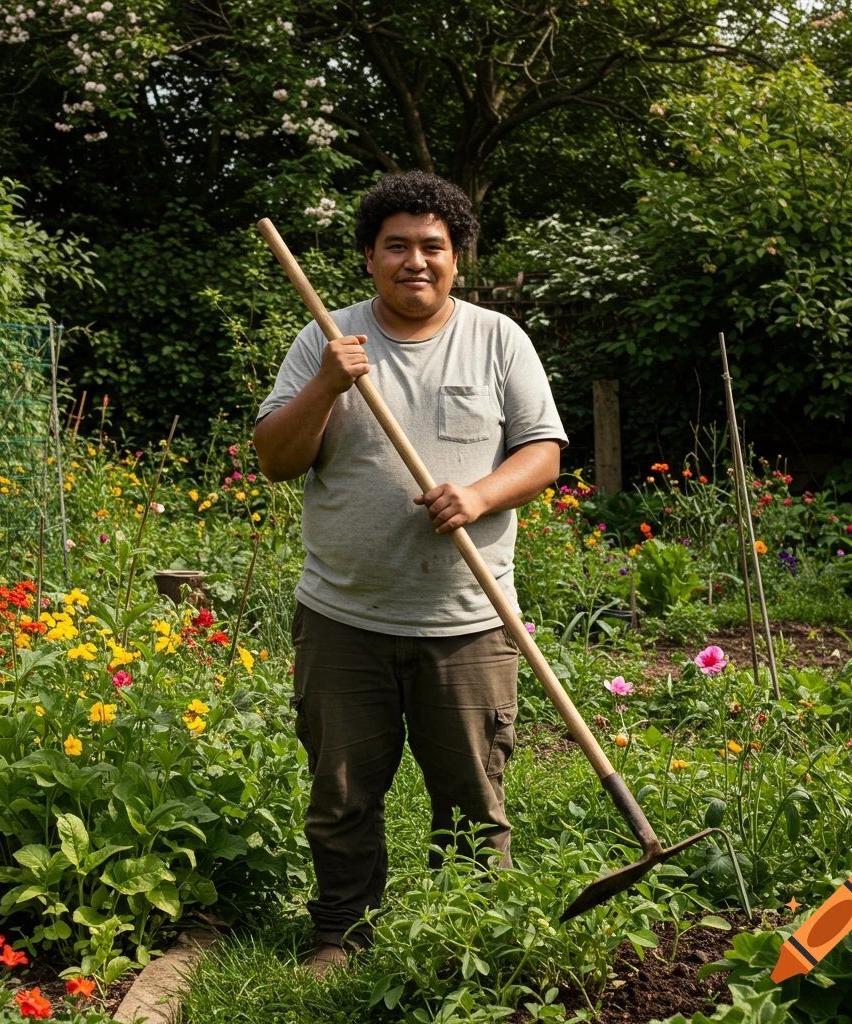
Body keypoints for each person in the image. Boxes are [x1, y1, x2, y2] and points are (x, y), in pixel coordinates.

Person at [253, 171, 568, 977]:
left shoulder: (498, 339)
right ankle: (341, 936)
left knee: (472, 799)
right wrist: (328, 384)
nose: (416, 261)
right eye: (397, 246)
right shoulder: (326, 340)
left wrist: (480, 493)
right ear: (369, 257)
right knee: (342, 796)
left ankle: (467, 945)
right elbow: (275, 460)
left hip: (468, 620)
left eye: (434, 246)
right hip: (344, 618)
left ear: (457, 257)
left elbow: (543, 453)